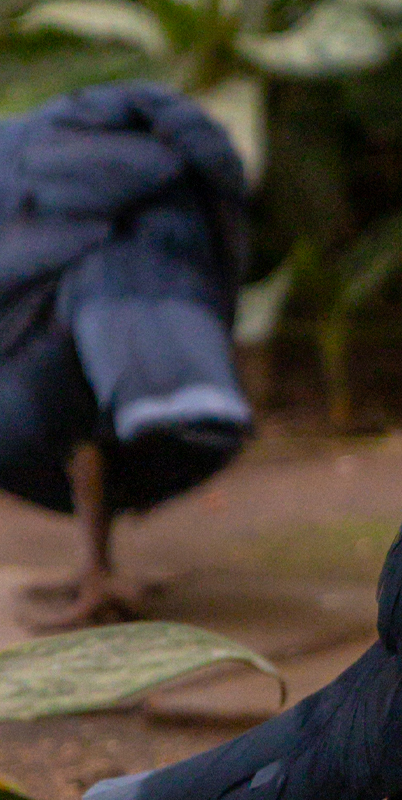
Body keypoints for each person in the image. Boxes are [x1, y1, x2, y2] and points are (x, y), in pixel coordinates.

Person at [0, 82, 253, 626]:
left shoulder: (22, 154)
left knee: (59, 407)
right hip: (181, 229)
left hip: (106, 252)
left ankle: (97, 571)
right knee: (83, 417)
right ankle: (98, 567)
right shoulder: (81, 128)